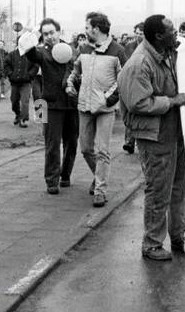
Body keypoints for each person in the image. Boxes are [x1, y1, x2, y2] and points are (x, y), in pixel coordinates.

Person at [123, 14, 185, 261]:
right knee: (159, 190)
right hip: (154, 136)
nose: (176, 34)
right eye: (172, 31)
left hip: (173, 131)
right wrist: (173, 101)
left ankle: (178, 236)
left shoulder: (165, 53)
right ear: (158, 35)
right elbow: (138, 102)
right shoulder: (139, 63)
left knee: (178, 187)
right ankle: (152, 243)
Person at [67, 12, 129, 207]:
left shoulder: (117, 51)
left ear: (96, 28)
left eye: (87, 27)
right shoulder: (83, 48)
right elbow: (76, 71)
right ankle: (98, 175)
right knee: (85, 149)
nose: (84, 31)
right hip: (84, 106)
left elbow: (124, 79)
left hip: (105, 109)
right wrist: (71, 83)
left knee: (102, 151)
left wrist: (108, 99)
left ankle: (101, 190)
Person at [23, 17, 79, 194]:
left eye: (52, 32)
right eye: (45, 34)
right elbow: (30, 53)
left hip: (72, 105)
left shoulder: (72, 51)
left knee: (72, 142)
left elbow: (78, 70)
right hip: (51, 105)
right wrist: (29, 37)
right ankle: (51, 180)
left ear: (59, 32)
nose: (49, 36)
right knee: (52, 144)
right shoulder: (42, 53)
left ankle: (65, 175)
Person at [120, 23, 145, 155]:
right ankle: (129, 141)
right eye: (137, 33)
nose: (139, 35)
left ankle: (140, 141)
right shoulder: (129, 46)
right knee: (130, 113)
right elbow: (125, 64)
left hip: (145, 85)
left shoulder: (151, 46)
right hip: (130, 84)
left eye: (141, 33)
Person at [4, 22, 36, 127]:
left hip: (26, 82)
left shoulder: (31, 54)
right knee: (14, 101)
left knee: (25, 101)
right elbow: (6, 65)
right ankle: (17, 114)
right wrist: (10, 74)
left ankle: (23, 119)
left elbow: (35, 66)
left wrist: (29, 75)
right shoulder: (12, 55)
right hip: (15, 82)